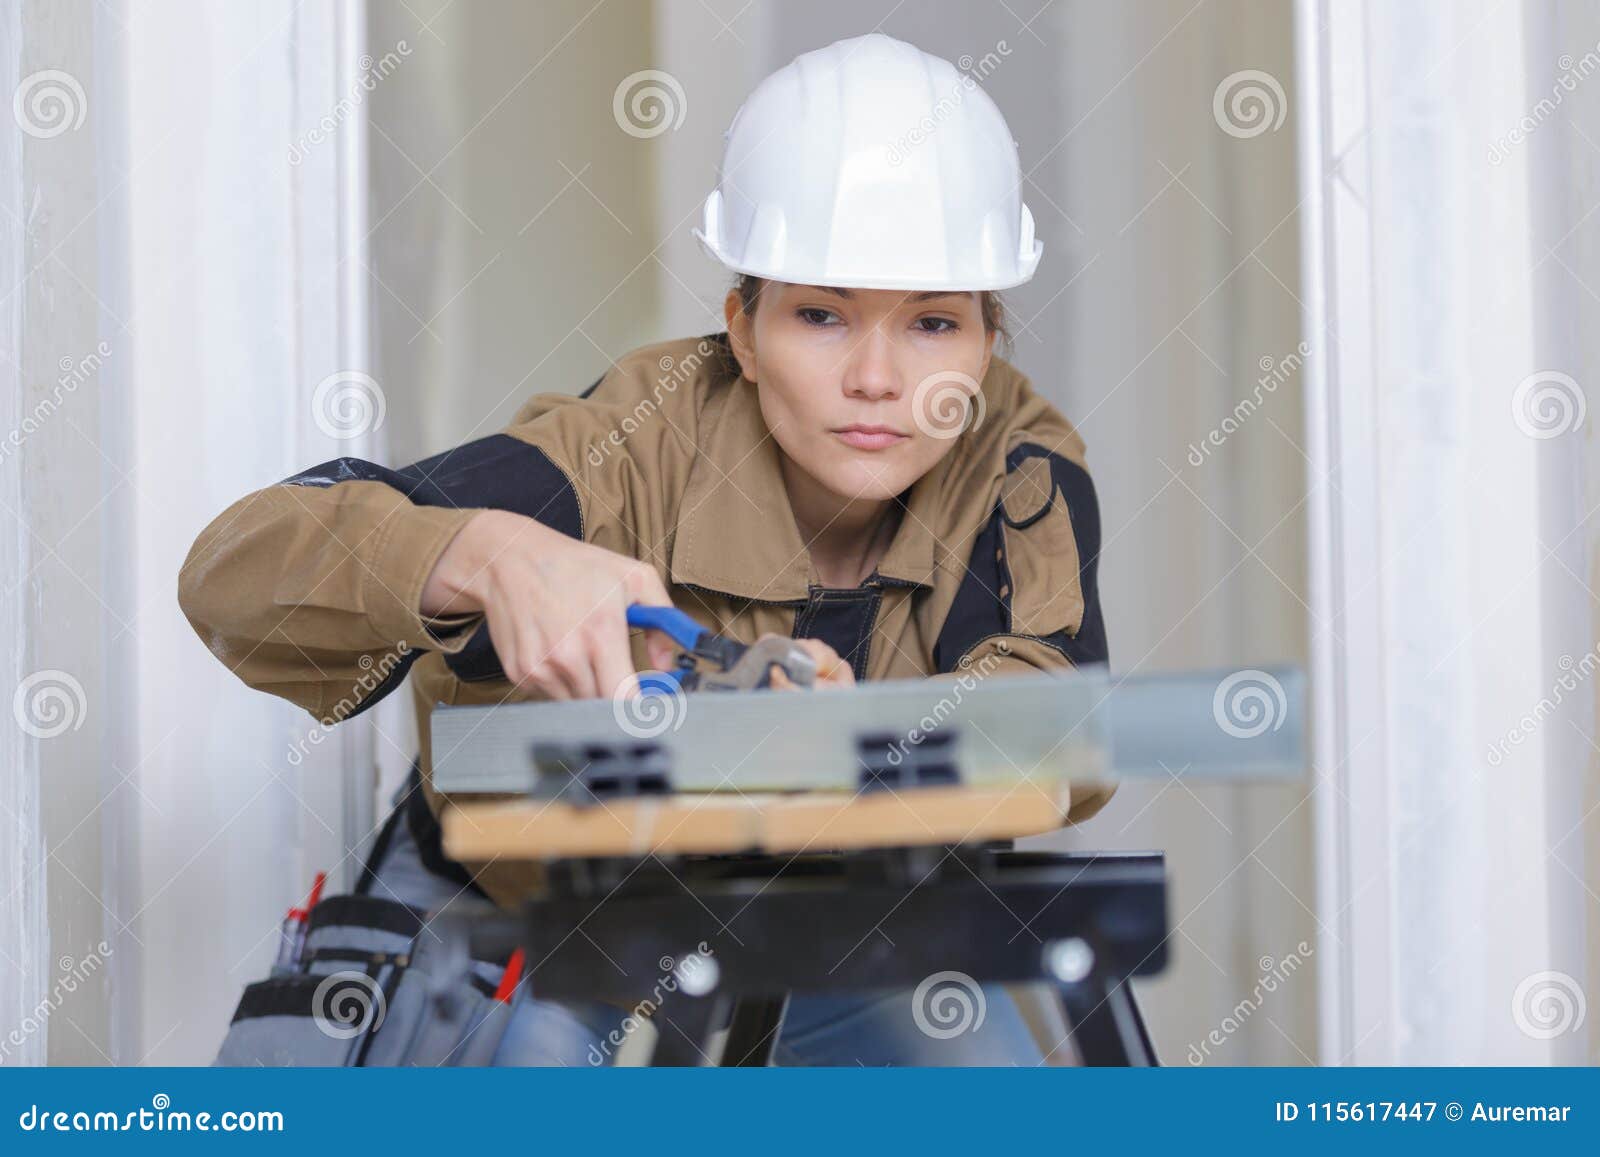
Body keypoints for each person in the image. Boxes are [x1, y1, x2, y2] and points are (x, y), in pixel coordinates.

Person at [179, 31, 1112, 1066]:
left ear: (990, 336)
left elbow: (1049, 716)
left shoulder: (1015, 467)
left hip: (836, 925)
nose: (878, 379)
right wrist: (485, 556)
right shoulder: (629, 443)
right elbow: (237, 568)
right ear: (744, 331)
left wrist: (849, 745)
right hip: (531, 916)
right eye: (820, 314)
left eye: (933, 322)